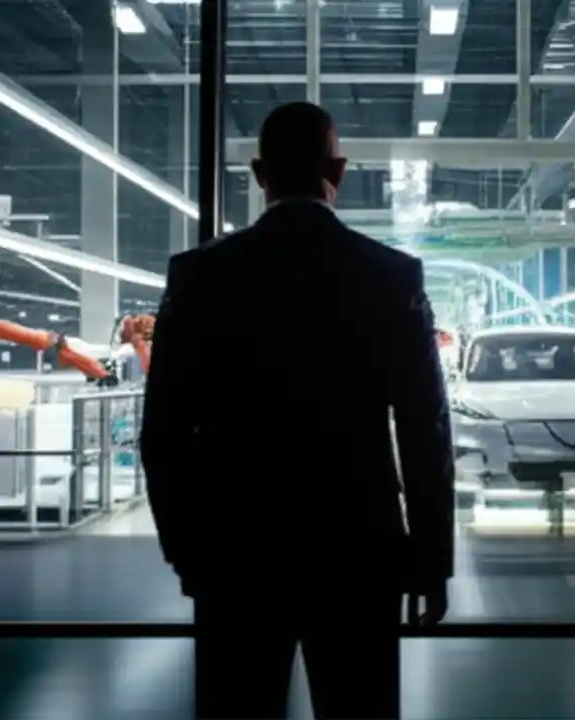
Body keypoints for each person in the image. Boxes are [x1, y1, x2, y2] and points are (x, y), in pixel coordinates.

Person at [139, 101, 455, 720]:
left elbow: (164, 432)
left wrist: (187, 550)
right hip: (358, 551)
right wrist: (430, 559)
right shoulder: (390, 276)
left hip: (236, 553)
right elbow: (424, 428)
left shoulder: (200, 276)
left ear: (259, 174)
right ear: (338, 168)